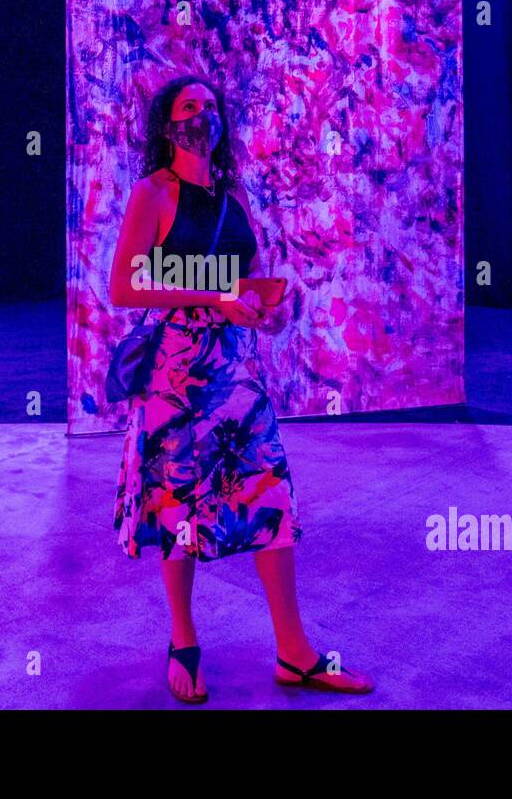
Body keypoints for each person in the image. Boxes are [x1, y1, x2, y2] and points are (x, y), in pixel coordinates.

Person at [108, 74, 374, 704]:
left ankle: (295, 652)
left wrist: (272, 308)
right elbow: (124, 288)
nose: (201, 115)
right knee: (177, 506)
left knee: (269, 496)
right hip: (174, 376)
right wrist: (214, 299)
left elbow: (247, 283)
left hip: (235, 374)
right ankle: (184, 641)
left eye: (209, 106)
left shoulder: (234, 197)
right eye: (187, 107)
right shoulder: (152, 194)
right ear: (167, 125)